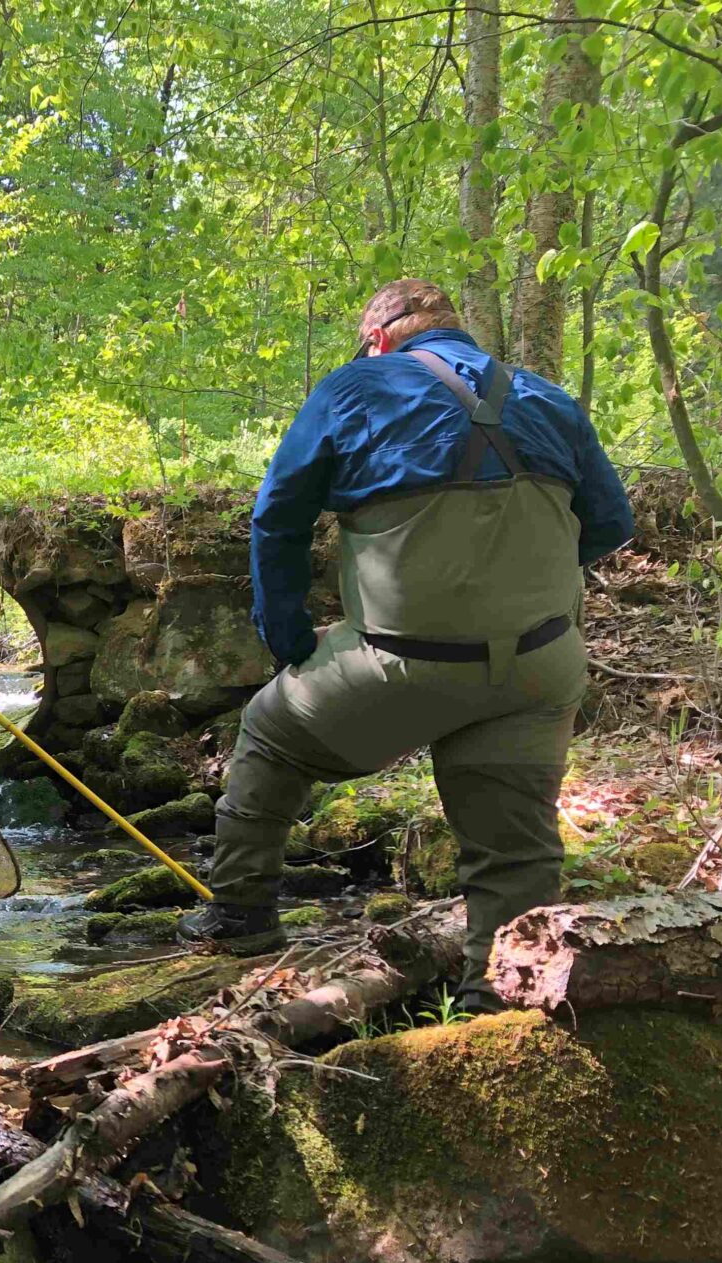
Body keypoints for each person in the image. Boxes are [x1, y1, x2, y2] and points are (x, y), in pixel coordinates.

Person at [177, 279, 635, 1009]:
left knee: (269, 730)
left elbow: (277, 518)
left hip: (400, 665)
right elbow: (610, 524)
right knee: (513, 852)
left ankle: (239, 917)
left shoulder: (355, 387)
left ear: (381, 337)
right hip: (537, 670)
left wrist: (289, 638)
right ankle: (497, 1002)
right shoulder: (548, 399)